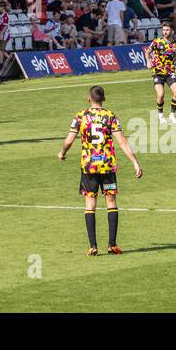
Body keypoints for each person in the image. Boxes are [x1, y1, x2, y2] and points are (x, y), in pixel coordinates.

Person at [58, 85, 142, 256]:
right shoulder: (110, 116)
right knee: (111, 202)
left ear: (89, 99)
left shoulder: (80, 116)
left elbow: (69, 140)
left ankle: (93, 246)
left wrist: (62, 152)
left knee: (90, 205)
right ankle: (112, 244)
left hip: (89, 166)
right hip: (107, 165)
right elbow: (122, 142)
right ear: (103, 99)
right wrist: (135, 162)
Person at [145, 21, 176, 124]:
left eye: (167, 30)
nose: (165, 32)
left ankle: (172, 115)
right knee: (160, 94)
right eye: (164, 30)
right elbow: (148, 51)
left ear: (172, 31)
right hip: (158, 71)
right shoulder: (157, 41)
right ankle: (161, 116)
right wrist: (148, 61)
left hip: (170, 72)